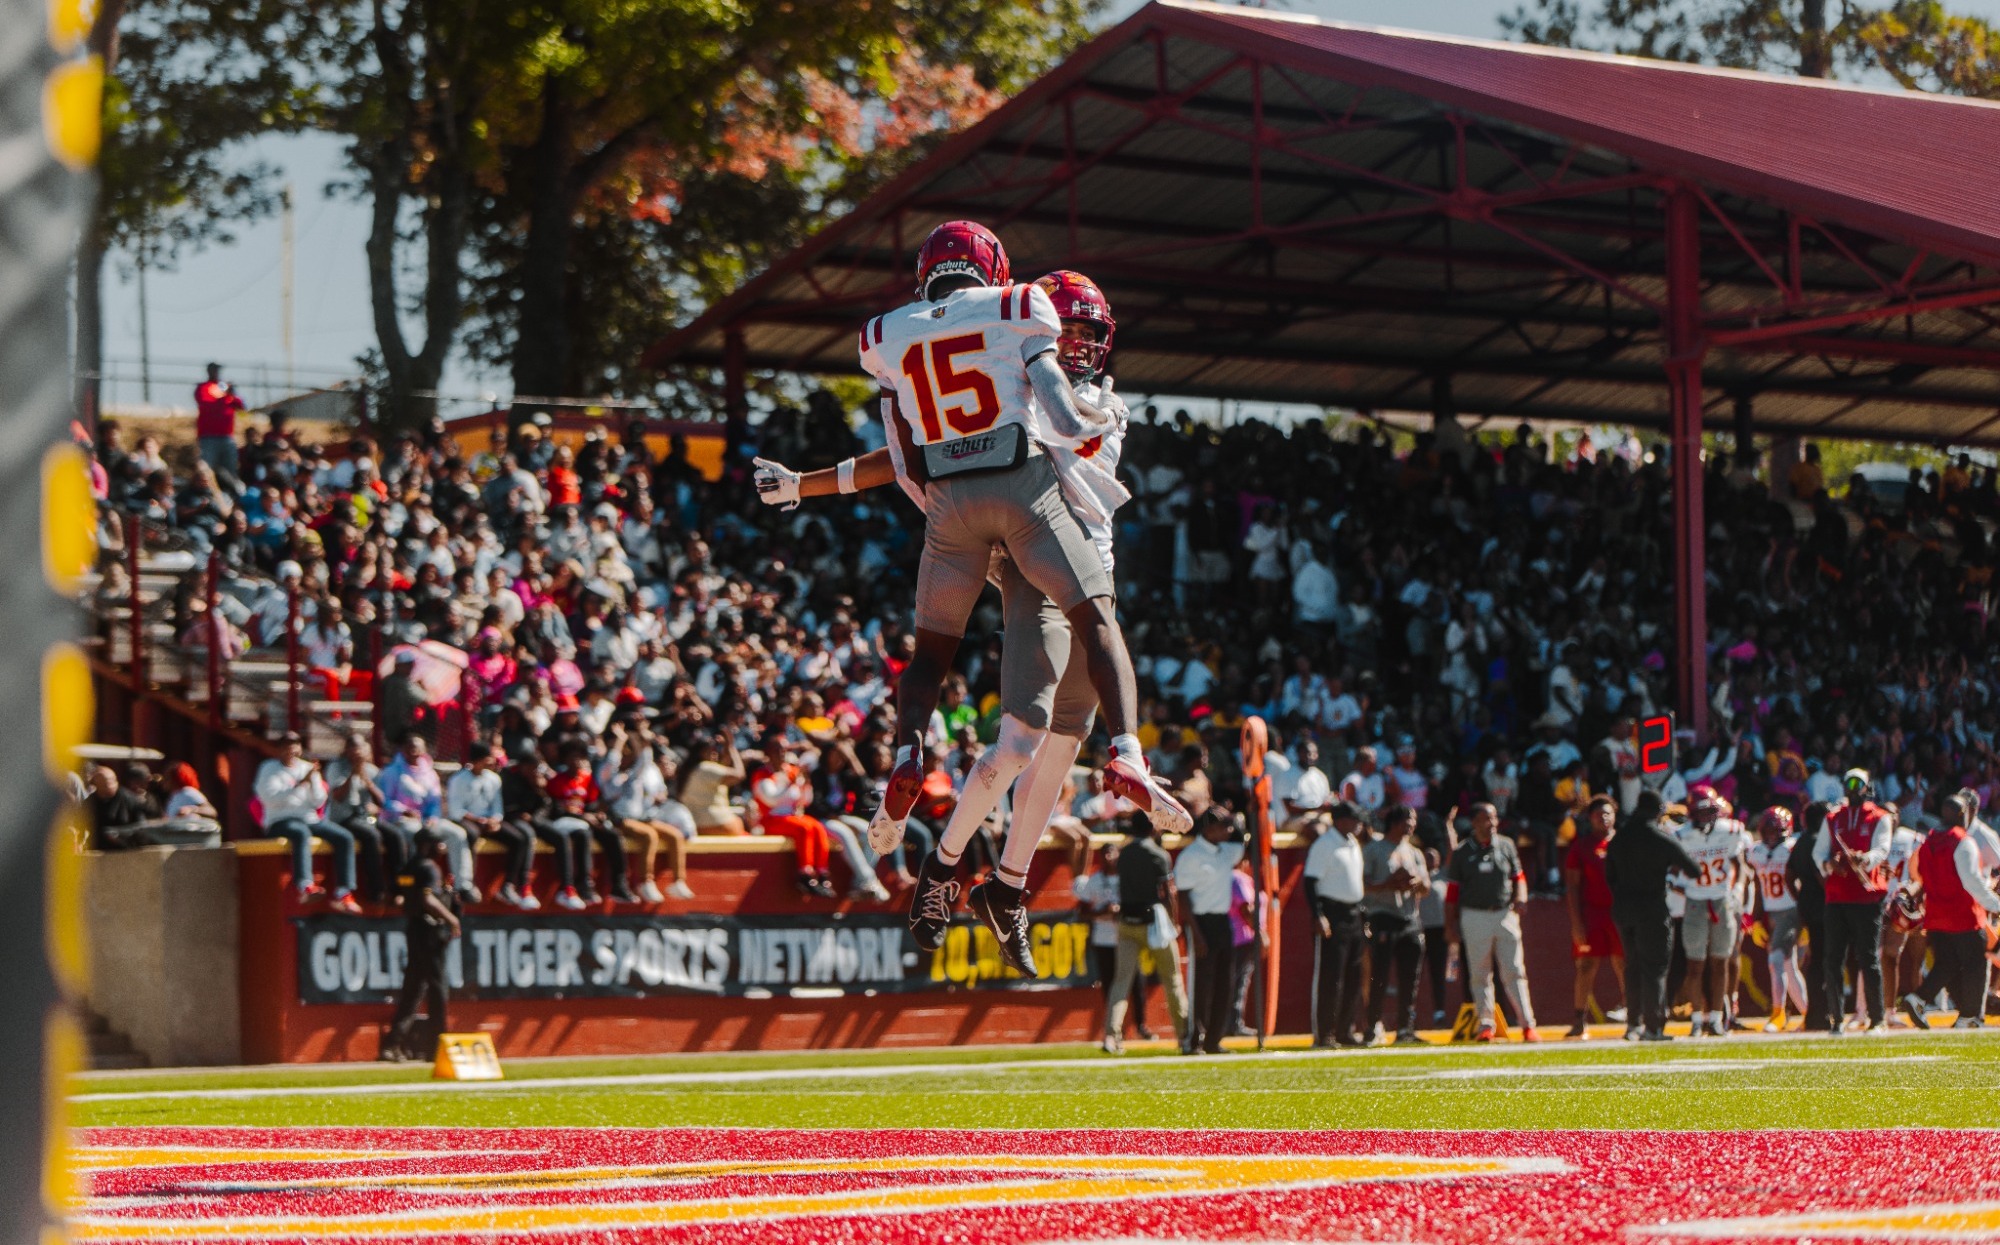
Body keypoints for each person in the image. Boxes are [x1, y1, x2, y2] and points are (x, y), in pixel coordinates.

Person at [1605, 790, 1699, 1040]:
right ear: (1658, 811)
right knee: (1655, 968)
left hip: (1624, 907)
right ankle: (1654, 1026)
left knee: (1632, 966)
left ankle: (1633, 1024)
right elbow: (1693, 869)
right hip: (1652, 907)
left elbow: (1609, 876)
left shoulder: (1620, 837)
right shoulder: (1660, 837)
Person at [1902, 794, 2000, 1029]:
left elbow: (1915, 872)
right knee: (1976, 965)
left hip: (1936, 916)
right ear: (1962, 814)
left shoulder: (1929, 841)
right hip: (1964, 916)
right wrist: (1996, 904)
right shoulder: (1962, 841)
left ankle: (1918, 998)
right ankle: (1970, 1016)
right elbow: (1972, 882)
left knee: (1946, 964)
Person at [1446, 802, 1539, 1042]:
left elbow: (1519, 877)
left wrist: (1521, 897)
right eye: (1487, 819)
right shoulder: (1462, 852)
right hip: (1474, 914)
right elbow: (1452, 893)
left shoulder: (1506, 845)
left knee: (1515, 970)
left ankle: (1528, 1024)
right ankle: (1485, 1024)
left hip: (1504, 912)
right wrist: (1450, 924)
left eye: (1494, 818)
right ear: (1474, 822)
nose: (1492, 823)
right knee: (1480, 973)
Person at [1814, 768, 1894, 1032]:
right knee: (1833, 958)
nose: (1852, 788)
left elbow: (1882, 849)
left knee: (1868, 957)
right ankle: (1836, 1018)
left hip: (1867, 895)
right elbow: (1819, 853)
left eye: (1857, 784)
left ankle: (1877, 1018)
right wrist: (1829, 865)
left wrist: (1865, 858)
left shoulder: (1880, 817)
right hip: (1837, 896)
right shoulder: (1833, 817)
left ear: (1867, 787)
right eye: (1848, 783)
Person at [1103, 817, 1189, 1055]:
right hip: (1154, 923)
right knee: (1172, 979)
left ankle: (1111, 1034)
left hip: (1127, 920)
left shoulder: (1124, 853)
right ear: (1152, 828)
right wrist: (1174, 921)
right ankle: (1183, 1034)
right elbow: (1168, 892)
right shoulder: (1159, 854)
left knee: (1121, 981)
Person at [1672, 784, 1749, 1037]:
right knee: (1695, 965)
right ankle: (1696, 1019)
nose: (1706, 818)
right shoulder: (1682, 835)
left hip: (1721, 900)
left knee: (1720, 962)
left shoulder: (1731, 831)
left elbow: (1740, 865)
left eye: (1709, 812)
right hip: (1695, 901)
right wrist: (1686, 890)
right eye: (1701, 812)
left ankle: (1716, 1019)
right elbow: (1672, 873)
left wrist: (1737, 889)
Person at [254, 732, 360, 911]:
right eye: (287, 745)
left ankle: (343, 892)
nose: (291, 749)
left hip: (309, 818)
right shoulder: (268, 769)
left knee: (344, 837)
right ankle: (305, 886)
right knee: (300, 833)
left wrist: (312, 782)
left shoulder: (307, 768)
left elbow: (319, 801)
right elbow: (269, 798)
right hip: (279, 820)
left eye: (295, 745)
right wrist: (299, 784)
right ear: (279, 749)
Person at [381, 830, 461, 1062]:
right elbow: (427, 898)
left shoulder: (409, 868)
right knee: (437, 989)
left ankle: (393, 1044)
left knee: (413, 988)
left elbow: (399, 893)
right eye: (439, 844)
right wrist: (451, 919)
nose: (442, 848)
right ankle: (435, 1046)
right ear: (427, 845)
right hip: (430, 931)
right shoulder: (428, 868)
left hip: (414, 929)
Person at [1174, 807, 1246, 1055]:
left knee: (1224, 983)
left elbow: (1241, 838)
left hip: (1222, 921)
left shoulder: (1225, 851)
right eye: (1222, 826)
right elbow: (1183, 898)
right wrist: (1195, 933)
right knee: (1201, 985)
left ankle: (1214, 1039)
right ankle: (1194, 1039)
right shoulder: (1190, 856)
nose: (1227, 830)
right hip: (1201, 922)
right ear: (1208, 829)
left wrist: (1233, 817)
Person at [378, 736, 479, 906]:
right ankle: (409, 885)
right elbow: (384, 800)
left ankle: (463, 885)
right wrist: (404, 810)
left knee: (457, 834)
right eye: (410, 748)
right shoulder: (392, 772)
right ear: (403, 750)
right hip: (400, 820)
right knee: (414, 834)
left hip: (426, 820)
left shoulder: (429, 773)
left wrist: (432, 818)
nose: (414, 752)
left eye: (418, 748)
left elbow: (434, 802)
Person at [1362, 804, 1430, 1044]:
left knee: (1410, 977)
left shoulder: (1415, 852)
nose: (1411, 825)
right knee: (1378, 975)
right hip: (1383, 915)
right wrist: (1388, 884)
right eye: (1407, 820)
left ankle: (1405, 1029)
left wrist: (1415, 883)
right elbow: (1363, 884)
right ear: (1394, 822)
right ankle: (1373, 1026)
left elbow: (1426, 887)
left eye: (1413, 821)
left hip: (1410, 918)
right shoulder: (1374, 850)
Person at [1303, 801, 1369, 1047]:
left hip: (1353, 913)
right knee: (1331, 976)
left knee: (1353, 975)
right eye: (1354, 819)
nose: (1359, 824)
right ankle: (1325, 1032)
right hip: (1332, 912)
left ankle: (1345, 1030)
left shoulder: (1352, 843)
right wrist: (1318, 914)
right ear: (1340, 820)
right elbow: (1310, 881)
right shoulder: (1324, 845)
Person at [1563, 795, 1622, 1036]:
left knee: (1624, 963)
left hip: (1620, 913)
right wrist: (1577, 923)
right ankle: (1579, 1019)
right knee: (1586, 965)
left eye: (1608, 813)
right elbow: (1573, 886)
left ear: (1615, 815)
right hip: (1593, 914)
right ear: (1591, 819)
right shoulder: (1582, 846)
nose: (1604, 818)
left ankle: (1632, 1013)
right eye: (1599, 815)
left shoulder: (1622, 843)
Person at [1747, 806, 1808, 1032]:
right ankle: (1807, 1012)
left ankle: (1778, 1012)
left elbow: (1801, 881)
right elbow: (1758, 885)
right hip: (1771, 912)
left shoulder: (1793, 848)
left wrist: (1805, 920)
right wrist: (1755, 920)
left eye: (1776, 831)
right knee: (1787, 966)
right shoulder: (1756, 851)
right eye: (1769, 831)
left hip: (1792, 910)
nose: (1772, 836)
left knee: (1776, 961)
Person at [449, 744, 531, 908]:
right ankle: (468, 884)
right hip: (468, 820)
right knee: (470, 835)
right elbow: (455, 810)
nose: (492, 762)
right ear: (477, 761)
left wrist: (494, 820)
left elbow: (497, 807)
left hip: (489, 822)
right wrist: (477, 820)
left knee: (519, 839)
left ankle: (507, 885)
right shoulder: (458, 780)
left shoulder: (494, 779)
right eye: (488, 758)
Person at [194, 362, 244, 481]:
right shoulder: (203, 387)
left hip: (226, 436)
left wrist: (232, 393)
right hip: (208, 436)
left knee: (230, 468)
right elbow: (205, 402)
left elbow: (241, 405)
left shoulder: (225, 388)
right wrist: (224, 396)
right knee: (207, 468)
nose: (216, 373)